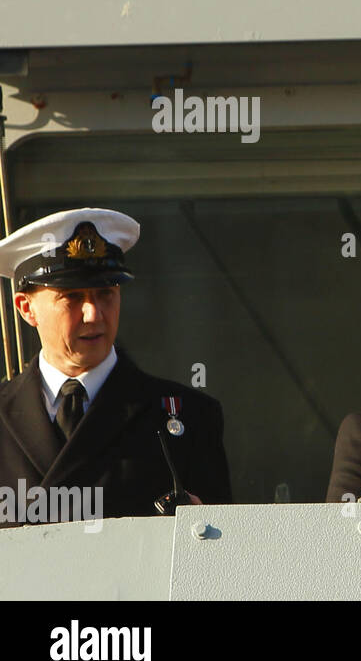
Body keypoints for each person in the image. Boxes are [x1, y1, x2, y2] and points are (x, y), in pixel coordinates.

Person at [0, 208, 232, 527]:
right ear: (27, 309)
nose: (94, 314)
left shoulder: (188, 419)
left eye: (106, 293)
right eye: (73, 297)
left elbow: (216, 561)